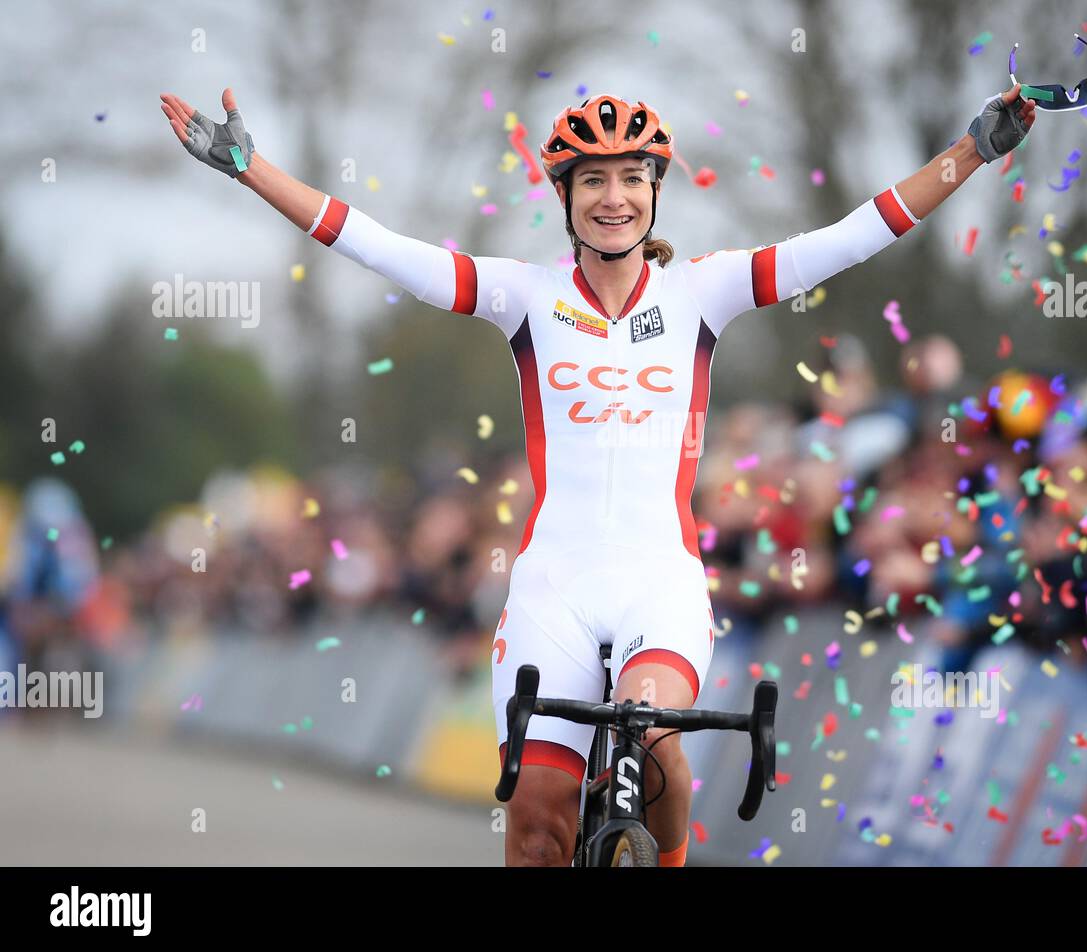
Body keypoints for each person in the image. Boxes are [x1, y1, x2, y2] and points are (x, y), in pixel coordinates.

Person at [162, 86, 1035, 866]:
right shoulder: (523, 296)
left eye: (629, 178)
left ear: (655, 191)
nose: (613, 197)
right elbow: (379, 246)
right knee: (538, 827)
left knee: (656, 747)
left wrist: (973, 151)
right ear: (566, 198)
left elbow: (854, 235)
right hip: (556, 589)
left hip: (660, 581)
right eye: (592, 181)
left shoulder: (703, 292)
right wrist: (251, 170)